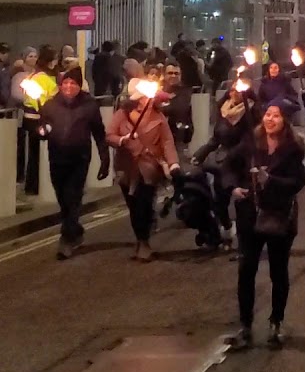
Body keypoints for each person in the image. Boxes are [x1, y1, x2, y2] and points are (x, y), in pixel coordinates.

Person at [224, 98, 305, 351]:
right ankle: (245, 325)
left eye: (276, 115)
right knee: (246, 270)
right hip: (250, 215)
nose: (270, 119)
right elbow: (228, 165)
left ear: (285, 121)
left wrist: (269, 179)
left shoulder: (294, 148)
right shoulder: (251, 141)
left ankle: (276, 323)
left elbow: (297, 182)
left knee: (278, 271)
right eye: (268, 114)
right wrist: (233, 187)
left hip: (278, 215)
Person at [38, 67, 110, 260]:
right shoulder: (50, 105)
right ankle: (75, 230)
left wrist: (105, 159)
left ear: (79, 86)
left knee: (73, 196)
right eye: (66, 83)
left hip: (79, 158)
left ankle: (67, 239)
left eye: (73, 83)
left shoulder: (89, 105)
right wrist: (42, 131)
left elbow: (99, 133)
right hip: (57, 157)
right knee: (62, 198)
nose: (69, 87)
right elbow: (43, 129)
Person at [107, 79, 180, 262]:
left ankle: (144, 241)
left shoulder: (158, 117)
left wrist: (173, 163)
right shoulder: (122, 114)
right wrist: (122, 140)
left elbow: (167, 142)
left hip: (149, 168)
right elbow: (109, 135)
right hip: (126, 168)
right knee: (133, 207)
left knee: (145, 206)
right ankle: (140, 239)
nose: (146, 99)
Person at [192, 77, 256, 246]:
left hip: (243, 162)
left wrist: (232, 155)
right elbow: (216, 138)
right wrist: (202, 152)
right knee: (220, 200)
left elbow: (249, 140)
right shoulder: (224, 109)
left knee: (243, 204)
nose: (234, 93)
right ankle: (226, 228)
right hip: (225, 163)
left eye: (238, 90)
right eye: (232, 90)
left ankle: (245, 245)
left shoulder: (252, 111)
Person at [21, 46, 61, 196]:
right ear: (50, 61)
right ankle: (41, 185)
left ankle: (32, 186)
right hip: (41, 120)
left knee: (34, 154)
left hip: (30, 119)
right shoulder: (44, 79)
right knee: (42, 154)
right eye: (55, 59)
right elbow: (50, 100)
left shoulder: (32, 76)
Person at [158, 63, 194, 156]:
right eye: (170, 73)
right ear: (164, 75)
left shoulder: (186, 92)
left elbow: (180, 109)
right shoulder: (156, 90)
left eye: (176, 73)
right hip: (158, 137)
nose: (173, 76)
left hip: (178, 138)